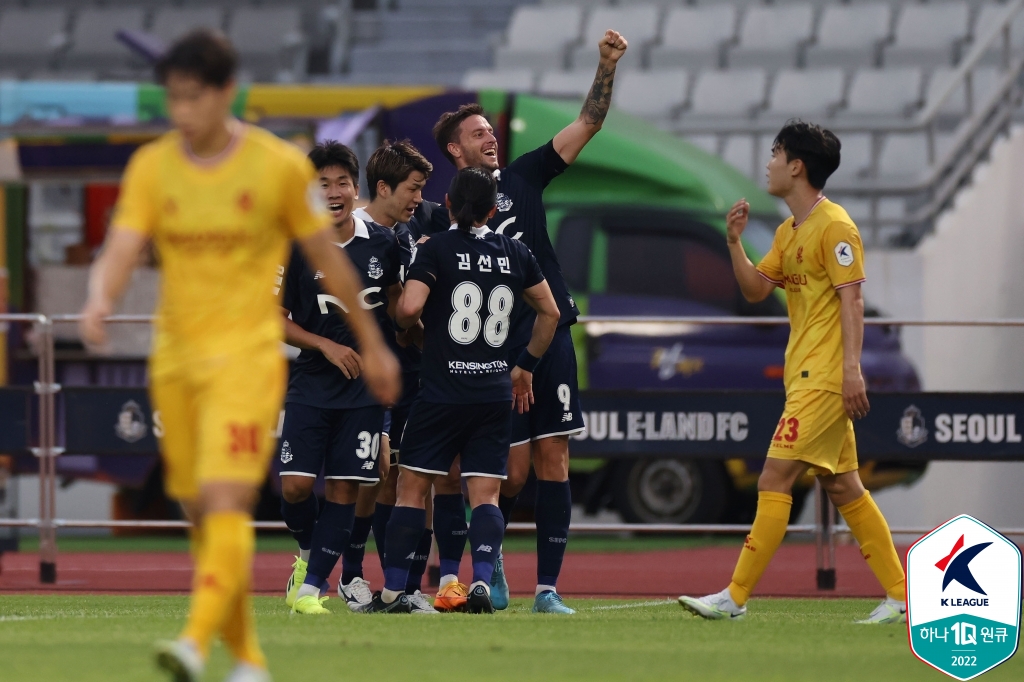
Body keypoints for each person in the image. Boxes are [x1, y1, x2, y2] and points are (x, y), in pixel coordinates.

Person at [79, 31, 399, 682]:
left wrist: (370, 341)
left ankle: (195, 643)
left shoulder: (276, 166)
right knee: (200, 512)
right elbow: (123, 242)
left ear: (226, 94)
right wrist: (98, 298)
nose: (181, 112)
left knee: (226, 499)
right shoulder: (153, 166)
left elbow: (329, 264)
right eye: (172, 98)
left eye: (193, 98)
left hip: (246, 361)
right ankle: (248, 659)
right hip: (176, 360)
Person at [430, 29, 628, 614]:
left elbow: (588, 123)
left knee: (554, 459)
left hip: (550, 338)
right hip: (494, 347)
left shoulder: (525, 176)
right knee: (509, 474)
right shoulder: (445, 216)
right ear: (455, 152)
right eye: (477, 134)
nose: (489, 137)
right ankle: (488, 568)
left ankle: (547, 589)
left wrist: (606, 66)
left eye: (491, 131)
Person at [678, 121, 906, 624]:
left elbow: (854, 299)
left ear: (797, 166)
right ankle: (902, 594)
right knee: (844, 486)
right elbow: (757, 291)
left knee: (773, 476)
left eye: (776, 153)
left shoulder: (836, 226)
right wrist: (734, 243)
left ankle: (735, 596)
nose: (769, 162)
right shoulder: (789, 231)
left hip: (823, 379)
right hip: (803, 375)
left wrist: (852, 371)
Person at [366, 167, 560, 614]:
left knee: (412, 487)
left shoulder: (437, 249)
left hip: (440, 391)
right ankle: (480, 582)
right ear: (494, 209)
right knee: (485, 495)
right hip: (493, 391)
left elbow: (409, 308)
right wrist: (524, 366)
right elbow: (549, 313)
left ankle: (395, 590)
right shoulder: (516, 252)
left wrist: (413, 326)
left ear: (448, 205)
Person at [278, 140, 405, 616]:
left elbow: (394, 303)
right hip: (312, 383)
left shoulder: (383, 244)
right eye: (322, 184)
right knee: (293, 487)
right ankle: (310, 555)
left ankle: (311, 589)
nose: (333, 192)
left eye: (341, 183)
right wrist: (325, 345)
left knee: (345, 488)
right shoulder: (296, 244)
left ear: (357, 190)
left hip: (363, 391)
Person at [335, 139, 441, 614]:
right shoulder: (345, 232)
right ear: (383, 187)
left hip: (405, 371)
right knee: (370, 473)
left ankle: (401, 585)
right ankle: (350, 574)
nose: (419, 199)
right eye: (414, 189)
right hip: (356, 374)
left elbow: (401, 314)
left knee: (401, 474)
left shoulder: (402, 237)